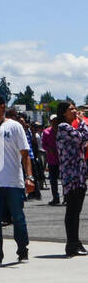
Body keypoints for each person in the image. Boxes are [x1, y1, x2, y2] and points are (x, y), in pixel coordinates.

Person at [0, 92, 33, 267]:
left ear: (2, 107)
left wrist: (29, 177)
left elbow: (25, 154)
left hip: (12, 180)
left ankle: (22, 248)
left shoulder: (14, 127)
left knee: (17, 216)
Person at [55, 101, 88, 257]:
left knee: (76, 210)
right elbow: (83, 137)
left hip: (78, 173)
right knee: (72, 210)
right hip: (72, 174)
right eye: (71, 109)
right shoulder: (63, 127)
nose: (75, 111)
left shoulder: (70, 127)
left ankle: (75, 242)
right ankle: (72, 243)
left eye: (75, 108)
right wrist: (82, 122)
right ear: (63, 113)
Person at [42, 115, 61, 205]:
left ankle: (66, 198)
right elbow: (43, 145)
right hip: (52, 160)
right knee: (53, 181)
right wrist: (49, 149)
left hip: (62, 159)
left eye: (56, 120)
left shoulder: (62, 131)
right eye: (53, 121)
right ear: (50, 121)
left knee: (64, 180)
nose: (54, 122)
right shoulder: (46, 132)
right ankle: (56, 198)